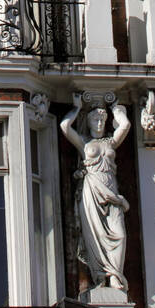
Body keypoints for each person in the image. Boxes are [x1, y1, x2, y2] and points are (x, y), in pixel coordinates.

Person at [60, 93, 131, 290]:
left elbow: (125, 125)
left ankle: (115, 275)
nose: (99, 124)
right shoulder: (84, 143)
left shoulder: (110, 142)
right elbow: (65, 126)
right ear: (89, 122)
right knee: (94, 235)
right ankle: (100, 275)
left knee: (120, 235)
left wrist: (115, 108)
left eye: (102, 120)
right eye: (95, 120)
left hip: (111, 192)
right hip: (92, 191)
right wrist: (76, 108)